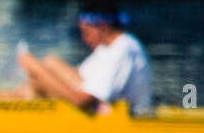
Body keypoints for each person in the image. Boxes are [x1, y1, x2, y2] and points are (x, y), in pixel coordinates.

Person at [17, 7, 152, 115]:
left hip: (123, 116)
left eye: (86, 32)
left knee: (38, 67)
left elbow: (81, 101)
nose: (83, 39)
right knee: (51, 63)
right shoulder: (107, 48)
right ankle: (9, 103)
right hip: (101, 107)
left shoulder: (123, 50)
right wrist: (40, 75)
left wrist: (35, 68)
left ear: (103, 27)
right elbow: (79, 78)